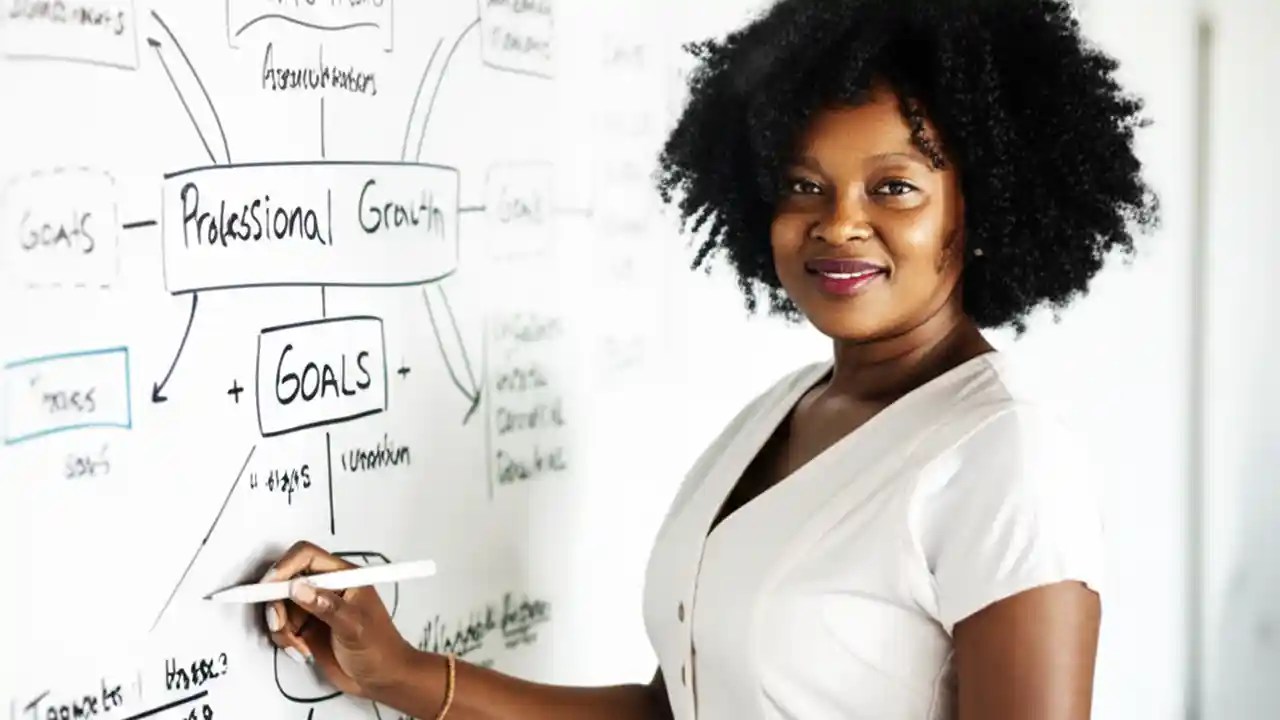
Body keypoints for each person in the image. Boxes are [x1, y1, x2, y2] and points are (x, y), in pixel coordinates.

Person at [261, 0, 1159, 717]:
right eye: (804, 186)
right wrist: (401, 673)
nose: (839, 222)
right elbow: (679, 711)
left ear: (982, 207)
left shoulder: (1003, 457)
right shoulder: (779, 413)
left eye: (894, 187)